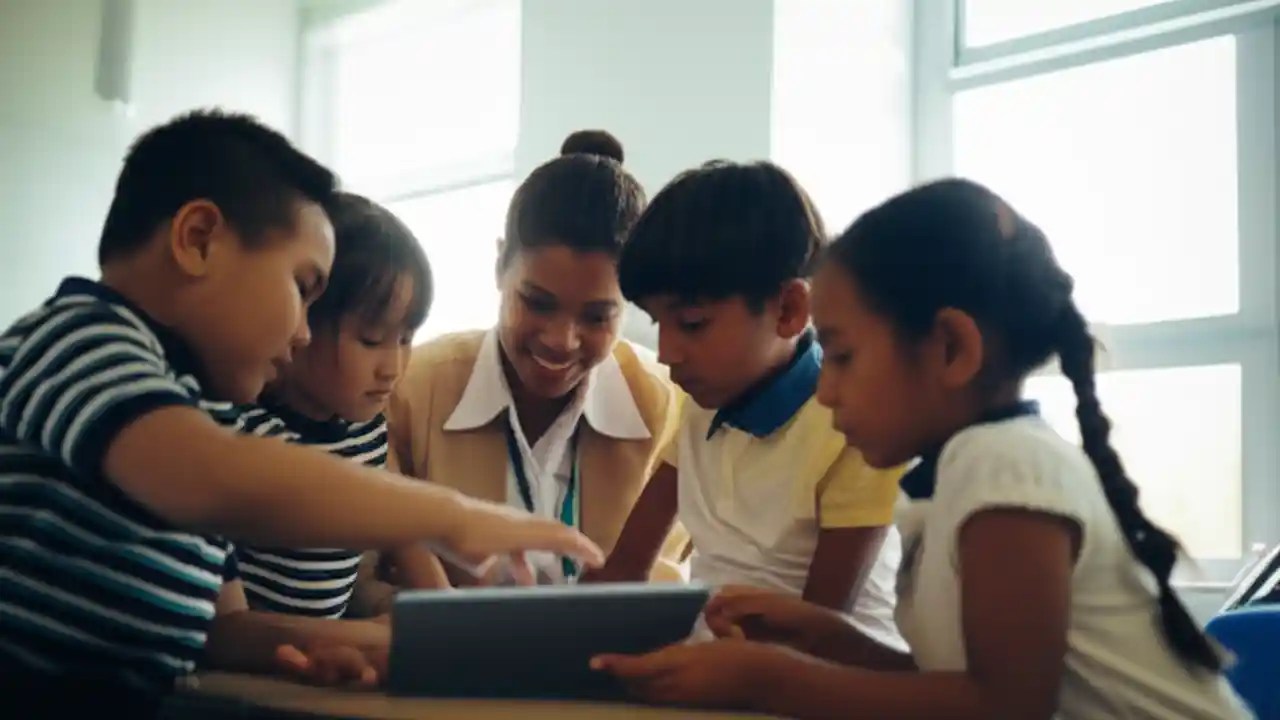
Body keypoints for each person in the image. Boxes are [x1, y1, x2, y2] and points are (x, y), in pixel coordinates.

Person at [0, 110, 601, 714]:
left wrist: (359, 644)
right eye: (302, 287)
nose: (302, 332)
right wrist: (450, 517)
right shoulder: (80, 339)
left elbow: (227, 629)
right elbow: (211, 476)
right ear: (198, 239)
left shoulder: (195, 414)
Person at [592, 179, 1251, 719]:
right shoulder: (951, 482)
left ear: (950, 349)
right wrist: (829, 639)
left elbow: (1006, 707)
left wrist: (768, 679)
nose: (826, 393)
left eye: (844, 356)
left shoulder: (1006, 466)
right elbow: (948, 684)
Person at [582, 161, 903, 652]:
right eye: (657, 324)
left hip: (831, 682)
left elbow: (814, 637)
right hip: (728, 664)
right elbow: (626, 569)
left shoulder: (854, 430)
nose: (666, 352)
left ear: (790, 310)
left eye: (691, 324)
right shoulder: (701, 405)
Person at [386, 130, 687, 588]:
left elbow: (674, 583)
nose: (562, 340)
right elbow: (363, 580)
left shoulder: (668, 406)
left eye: (597, 316)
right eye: (537, 303)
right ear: (499, 264)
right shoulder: (408, 390)